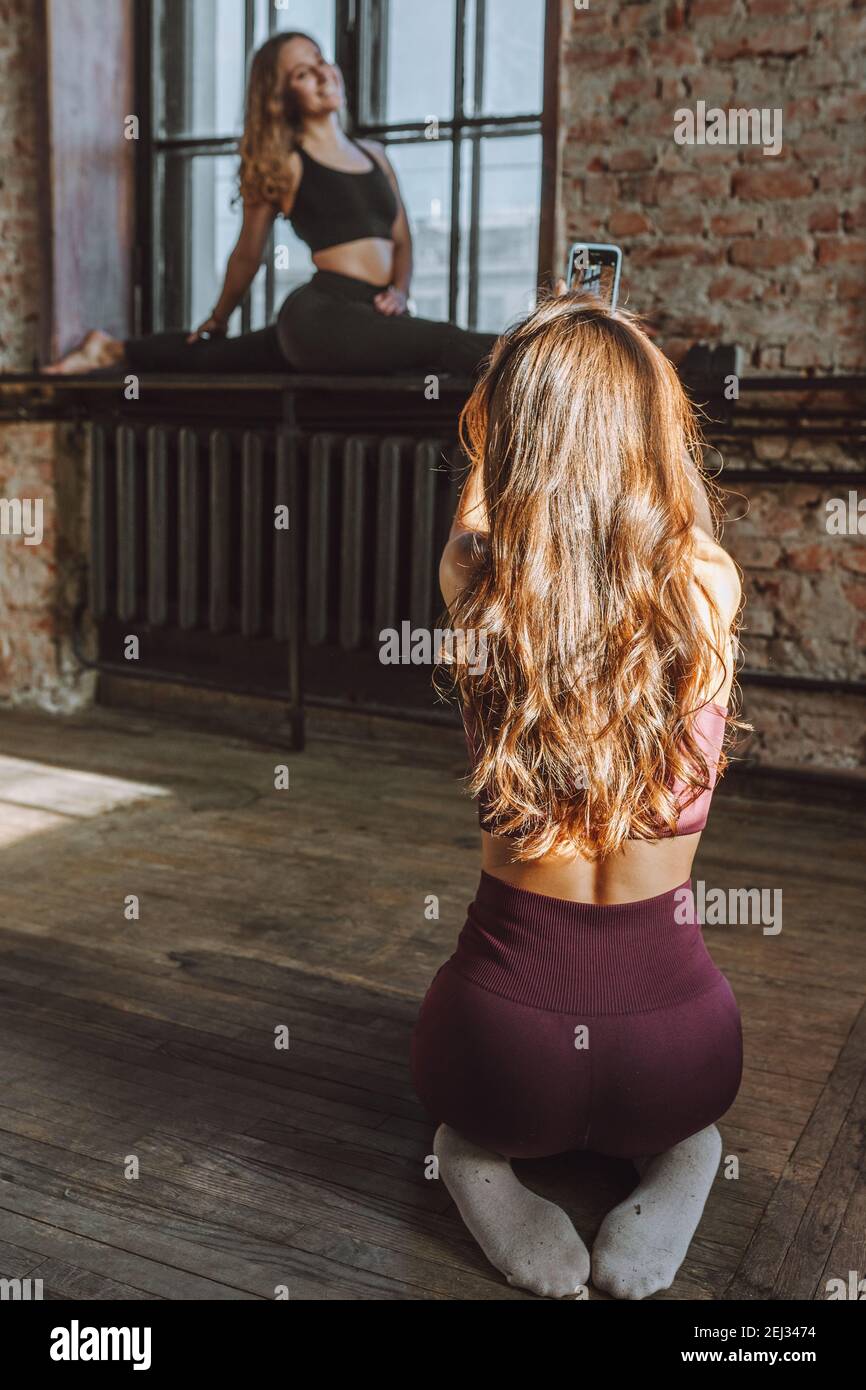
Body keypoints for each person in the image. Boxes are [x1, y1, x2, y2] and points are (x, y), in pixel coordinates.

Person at [410, 286, 746, 1301]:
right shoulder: (707, 584)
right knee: (691, 1130)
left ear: (509, 448)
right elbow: (671, 506)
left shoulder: (478, 592)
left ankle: (482, 1171)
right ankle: (677, 1162)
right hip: (682, 1054)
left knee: (462, 1128)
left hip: (496, 1054)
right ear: (655, 435)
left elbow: (482, 519)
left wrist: (513, 431)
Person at [43, 31, 499, 379]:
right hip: (323, 314)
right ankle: (537, 355)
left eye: (321, 61)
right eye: (303, 73)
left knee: (221, 359)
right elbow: (249, 252)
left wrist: (400, 289)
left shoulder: (375, 154)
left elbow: (402, 239)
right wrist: (219, 316)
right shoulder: (287, 164)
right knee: (444, 342)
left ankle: (113, 350)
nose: (323, 74)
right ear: (282, 98)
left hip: (369, 314)